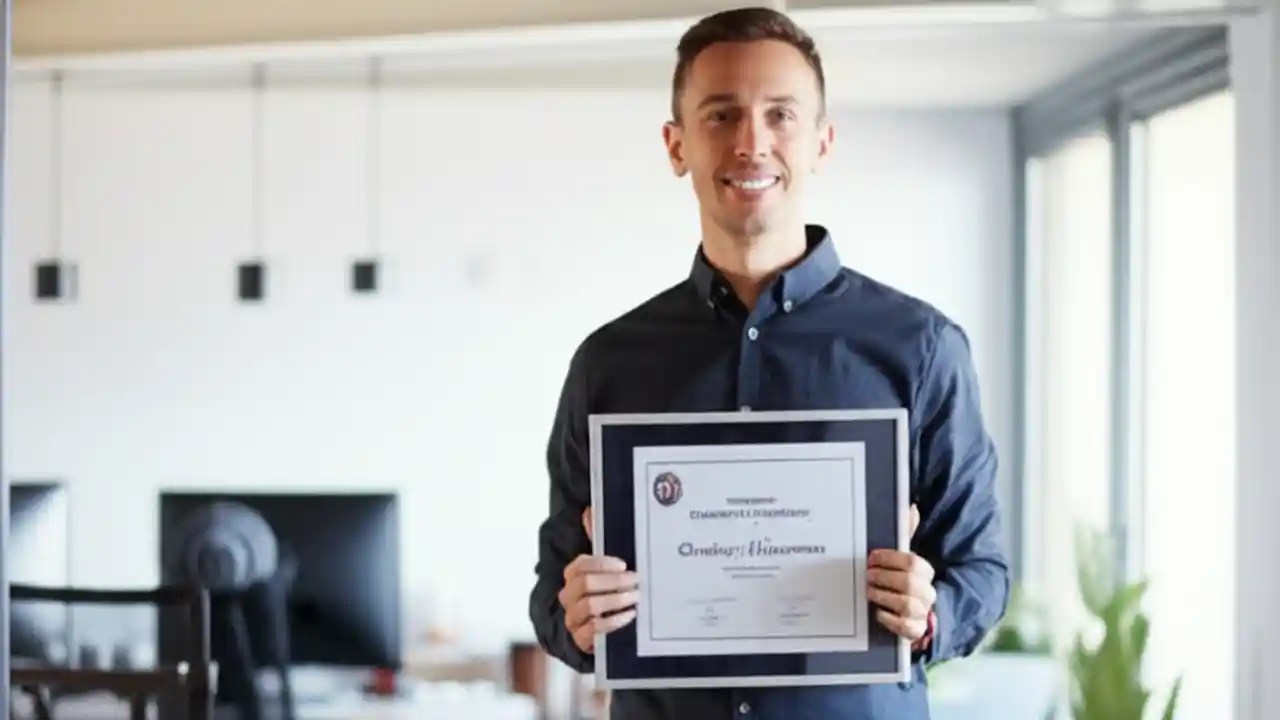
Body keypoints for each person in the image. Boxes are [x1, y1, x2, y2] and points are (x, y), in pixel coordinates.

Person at [528, 6, 1009, 719]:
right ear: (676, 145)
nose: (752, 142)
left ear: (821, 142)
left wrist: (930, 610)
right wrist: (574, 618)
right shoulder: (611, 363)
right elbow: (552, 595)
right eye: (720, 115)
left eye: (780, 115)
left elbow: (984, 571)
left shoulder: (921, 347)